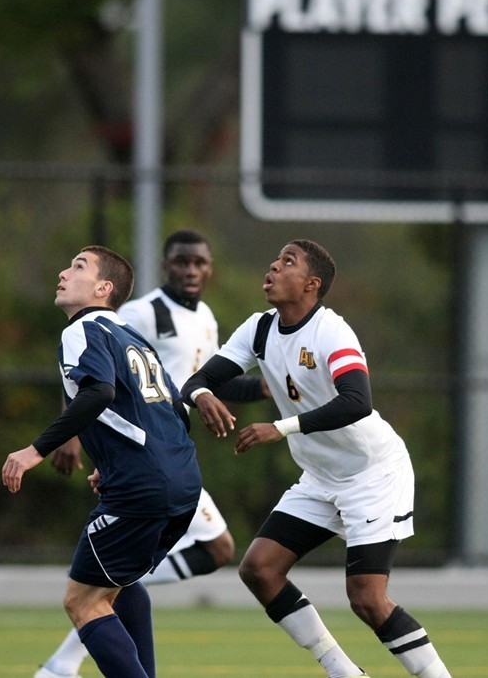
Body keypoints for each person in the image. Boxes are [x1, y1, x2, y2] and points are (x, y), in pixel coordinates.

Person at [181, 239, 452, 678]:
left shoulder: (331, 331)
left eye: (287, 261)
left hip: (373, 473)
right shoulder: (259, 329)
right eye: (276, 257)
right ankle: (344, 672)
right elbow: (198, 379)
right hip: (322, 477)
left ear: (311, 284)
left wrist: (280, 427)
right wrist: (204, 393)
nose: (273, 264)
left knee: (367, 597)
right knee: (259, 570)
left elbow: (357, 401)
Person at [36, 230, 269, 678]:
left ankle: (66, 660)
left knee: (185, 559)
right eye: (182, 261)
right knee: (196, 555)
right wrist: (71, 436)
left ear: (210, 268)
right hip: (145, 453)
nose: (191, 269)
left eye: (200, 262)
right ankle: (64, 662)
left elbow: (200, 381)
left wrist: (270, 383)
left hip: (164, 451)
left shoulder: (204, 317)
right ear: (166, 265)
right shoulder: (138, 312)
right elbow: (92, 370)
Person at [2, 245, 202, 678]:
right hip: (183, 483)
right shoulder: (135, 339)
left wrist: (34, 450)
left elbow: (99, 393)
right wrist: (118, 458)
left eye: (78, 266)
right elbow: (177, 410)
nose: (63, 271)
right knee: (122, 586)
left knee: (82, 601)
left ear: (103, 288)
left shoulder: (82, 329)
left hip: (143, 486)